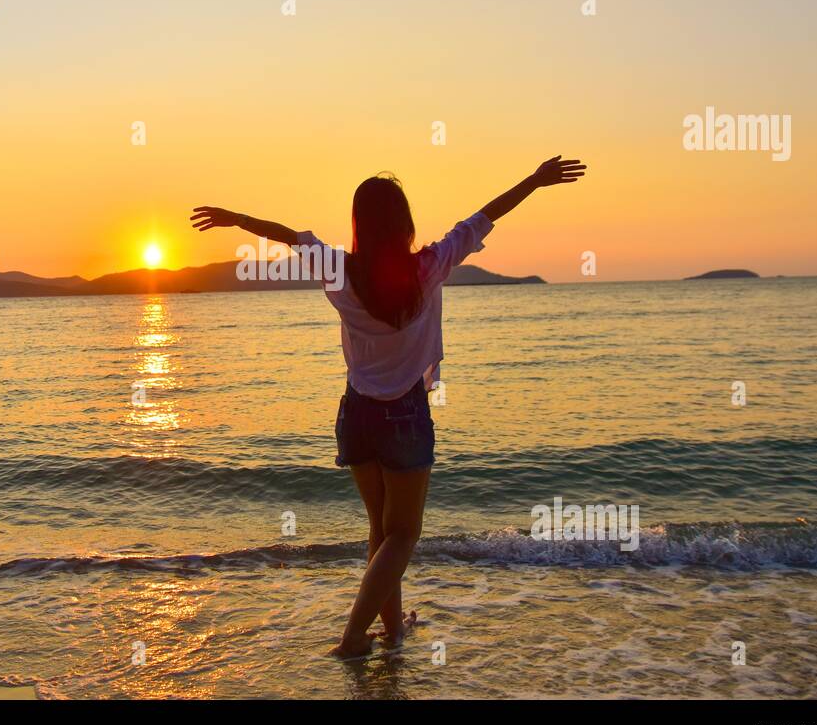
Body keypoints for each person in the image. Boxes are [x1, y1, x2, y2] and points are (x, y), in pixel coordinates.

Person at [190, 155, 587, 658]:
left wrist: (237, 220)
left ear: (359, 225)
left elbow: (289, 235)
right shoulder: (429, 266)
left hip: (356, 413)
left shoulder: (339, 269)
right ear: (404, 223)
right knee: (404, 533)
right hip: (404, 413)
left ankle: (393, 632)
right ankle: (353, 636)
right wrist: (534, 180)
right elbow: (486, 215)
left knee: (381, 530)